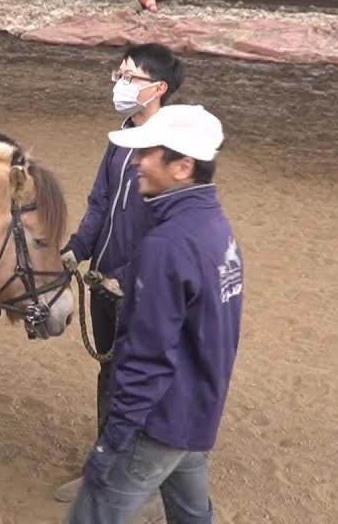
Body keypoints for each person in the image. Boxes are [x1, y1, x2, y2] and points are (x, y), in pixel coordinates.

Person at [63, 104, 244, 524]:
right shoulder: (215, 228)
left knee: (91, 514)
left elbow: (147, 356)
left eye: (147, 154)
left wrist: (113, 441)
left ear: (182, 166)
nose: (136, 162)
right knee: (191, 515)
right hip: (195, 406)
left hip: (155, 421)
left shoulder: (165, 245)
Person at [54, 42, 186, 502]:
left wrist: (127, 277)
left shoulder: (174, 150)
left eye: (131, 77)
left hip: (145, 292)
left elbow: (170, 230)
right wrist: (76, 249)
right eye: (121, 74)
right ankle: (106, 467)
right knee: (110, 376)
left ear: (158, 88)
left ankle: (136, 484)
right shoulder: (121, 138)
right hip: (104, 284)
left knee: (139, 383)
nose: (120, 83)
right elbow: (99, 205)